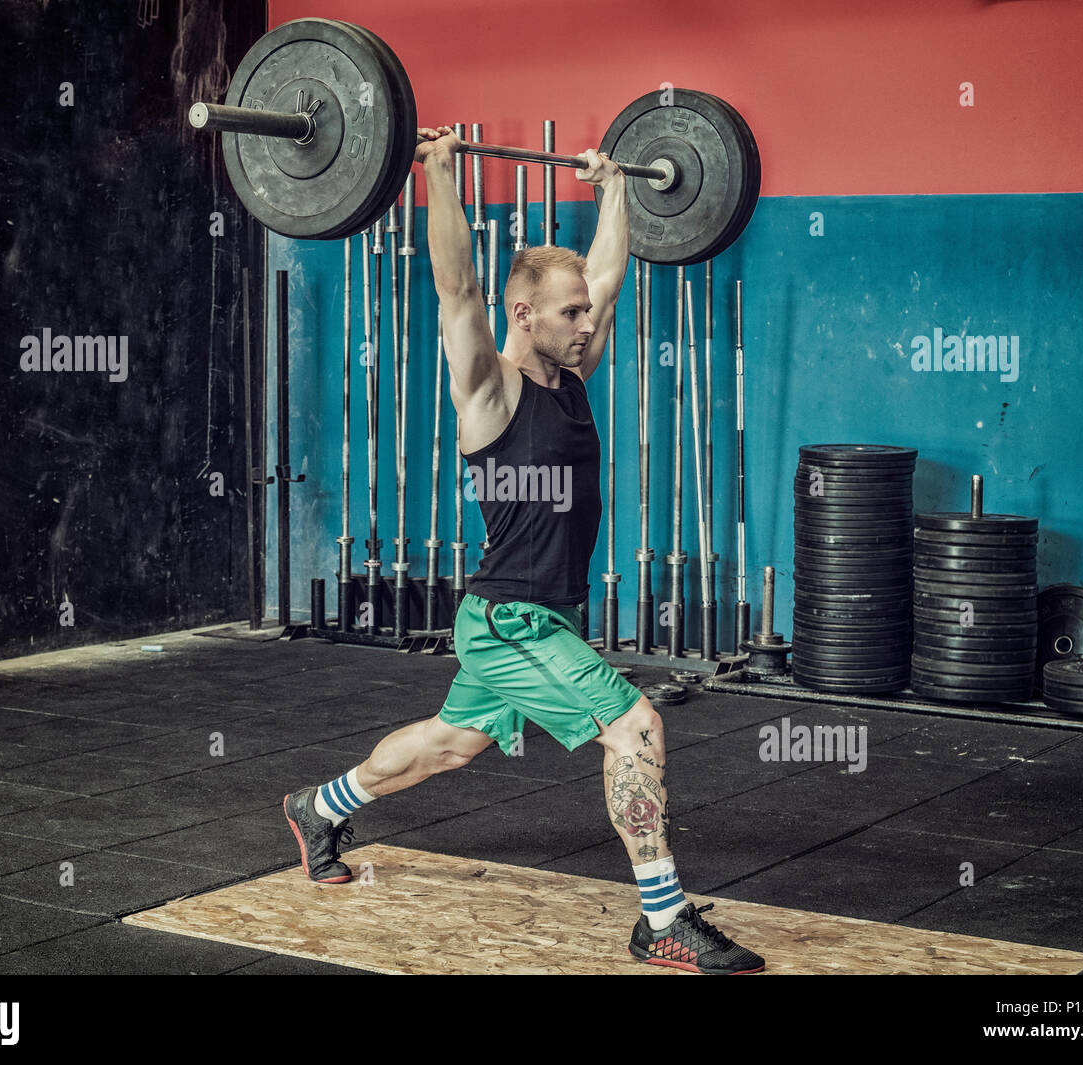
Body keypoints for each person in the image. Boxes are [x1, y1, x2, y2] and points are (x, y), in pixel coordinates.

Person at [284, 126, 765, 975]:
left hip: (531, 616)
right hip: (511, 621)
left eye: (586, 311)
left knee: (450, 742)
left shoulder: (573, 376)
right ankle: (661, 919)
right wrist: (439, 174)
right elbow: (457, 285)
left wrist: (615, 186)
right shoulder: (490, 387)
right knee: (635, 724)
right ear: (523, 315)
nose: (588, 323)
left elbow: (610, 276)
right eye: (570, 312)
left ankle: (319, 806)